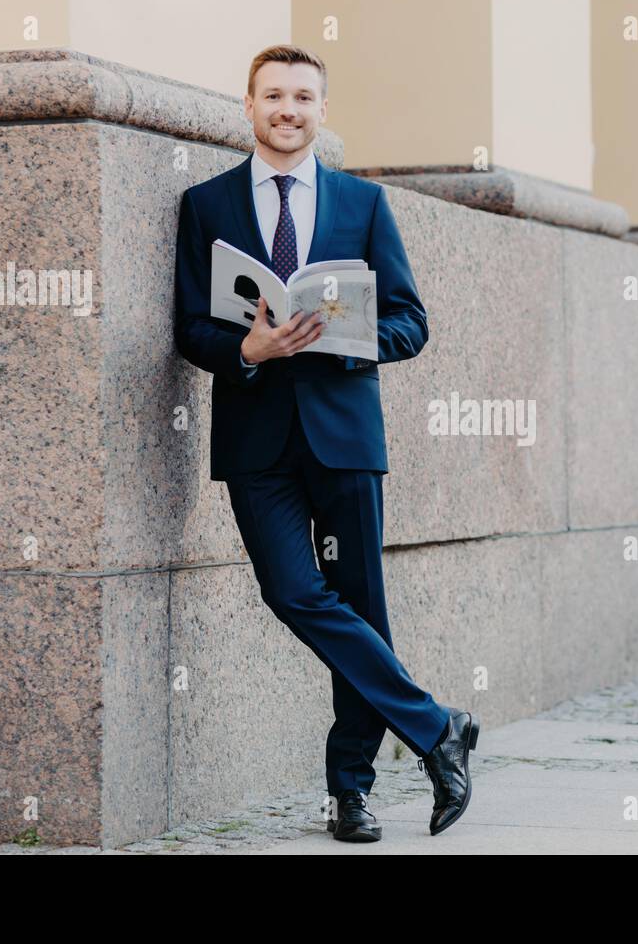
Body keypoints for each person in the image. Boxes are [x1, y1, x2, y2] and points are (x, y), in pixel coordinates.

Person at [173, 44, 479, 841]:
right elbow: (188, 328)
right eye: (273, 95)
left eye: (303, 97)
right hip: (256, 440)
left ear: (321, 110)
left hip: (344, 436)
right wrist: (248, 352)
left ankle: (351, 793)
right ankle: (438, 726)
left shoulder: (363, 205)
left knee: (360, 609)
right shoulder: (204, 206)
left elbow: (412, 322)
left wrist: (343, 340)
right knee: (293, 592)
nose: (288, 109)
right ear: (247, 105)